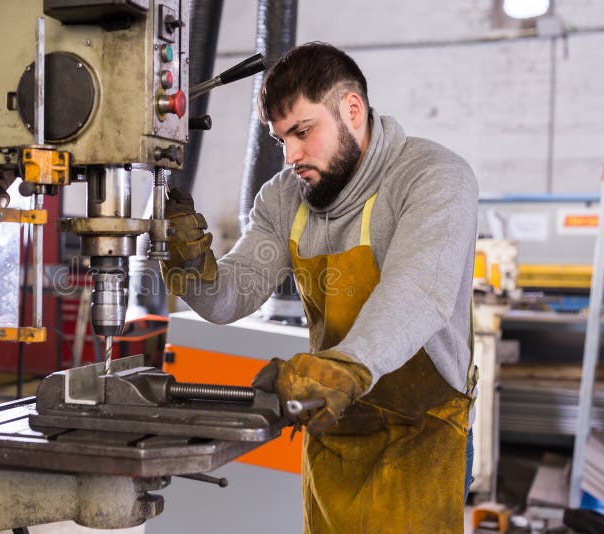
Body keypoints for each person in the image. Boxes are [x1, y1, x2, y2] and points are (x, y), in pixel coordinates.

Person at [160, 42, 478, 533]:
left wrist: (345, 367)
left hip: (420, 436)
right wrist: (191, 267)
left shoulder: (433, 177)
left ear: (352, 109)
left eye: (303, 132)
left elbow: (418, 291)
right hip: (334, 429)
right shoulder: (284, 198)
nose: (291, 155)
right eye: (280, 139)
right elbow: (230, 296)